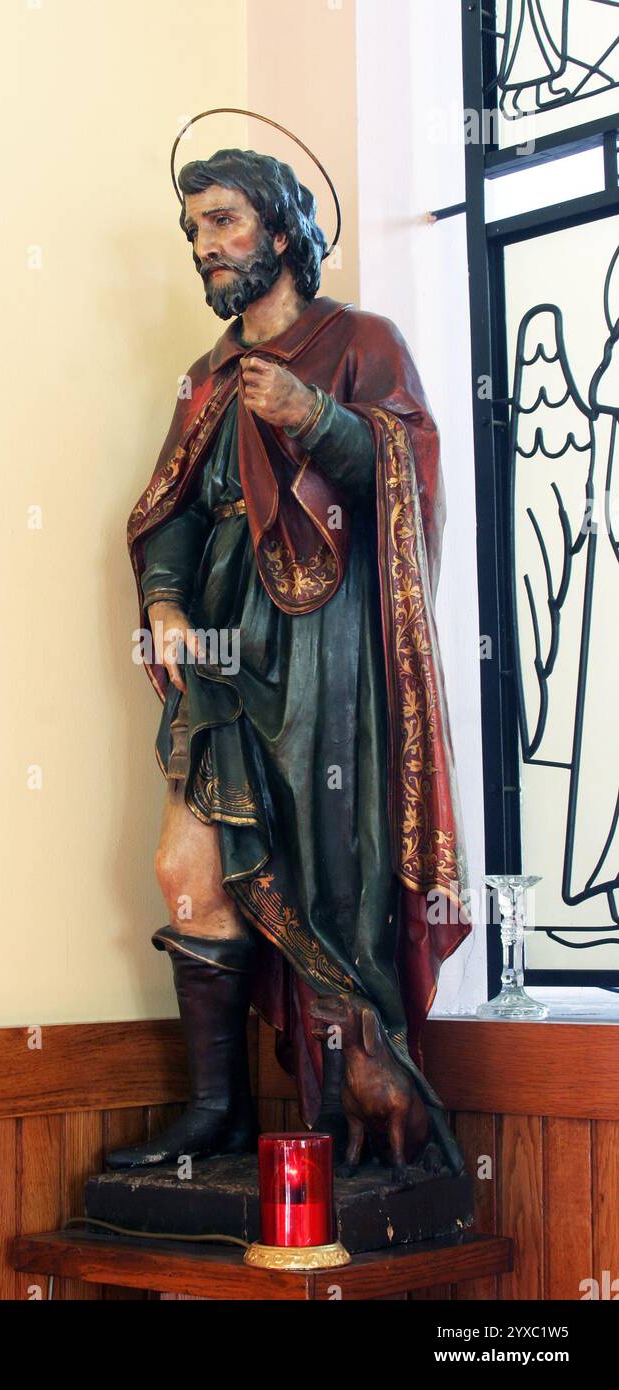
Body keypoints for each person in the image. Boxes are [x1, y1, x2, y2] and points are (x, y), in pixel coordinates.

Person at [110, 148, 469, 1172]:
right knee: (184, 863)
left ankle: (363, 1106)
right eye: (193, 232)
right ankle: (213, 1110)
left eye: (221, 222)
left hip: (321, 653)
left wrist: (318, 419)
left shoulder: (358, 342)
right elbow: (169, 510)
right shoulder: (205, 376)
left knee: (319, 867)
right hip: (220, 639)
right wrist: (166, 600)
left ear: (277, 228)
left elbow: (406, 478)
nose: (205, 247)